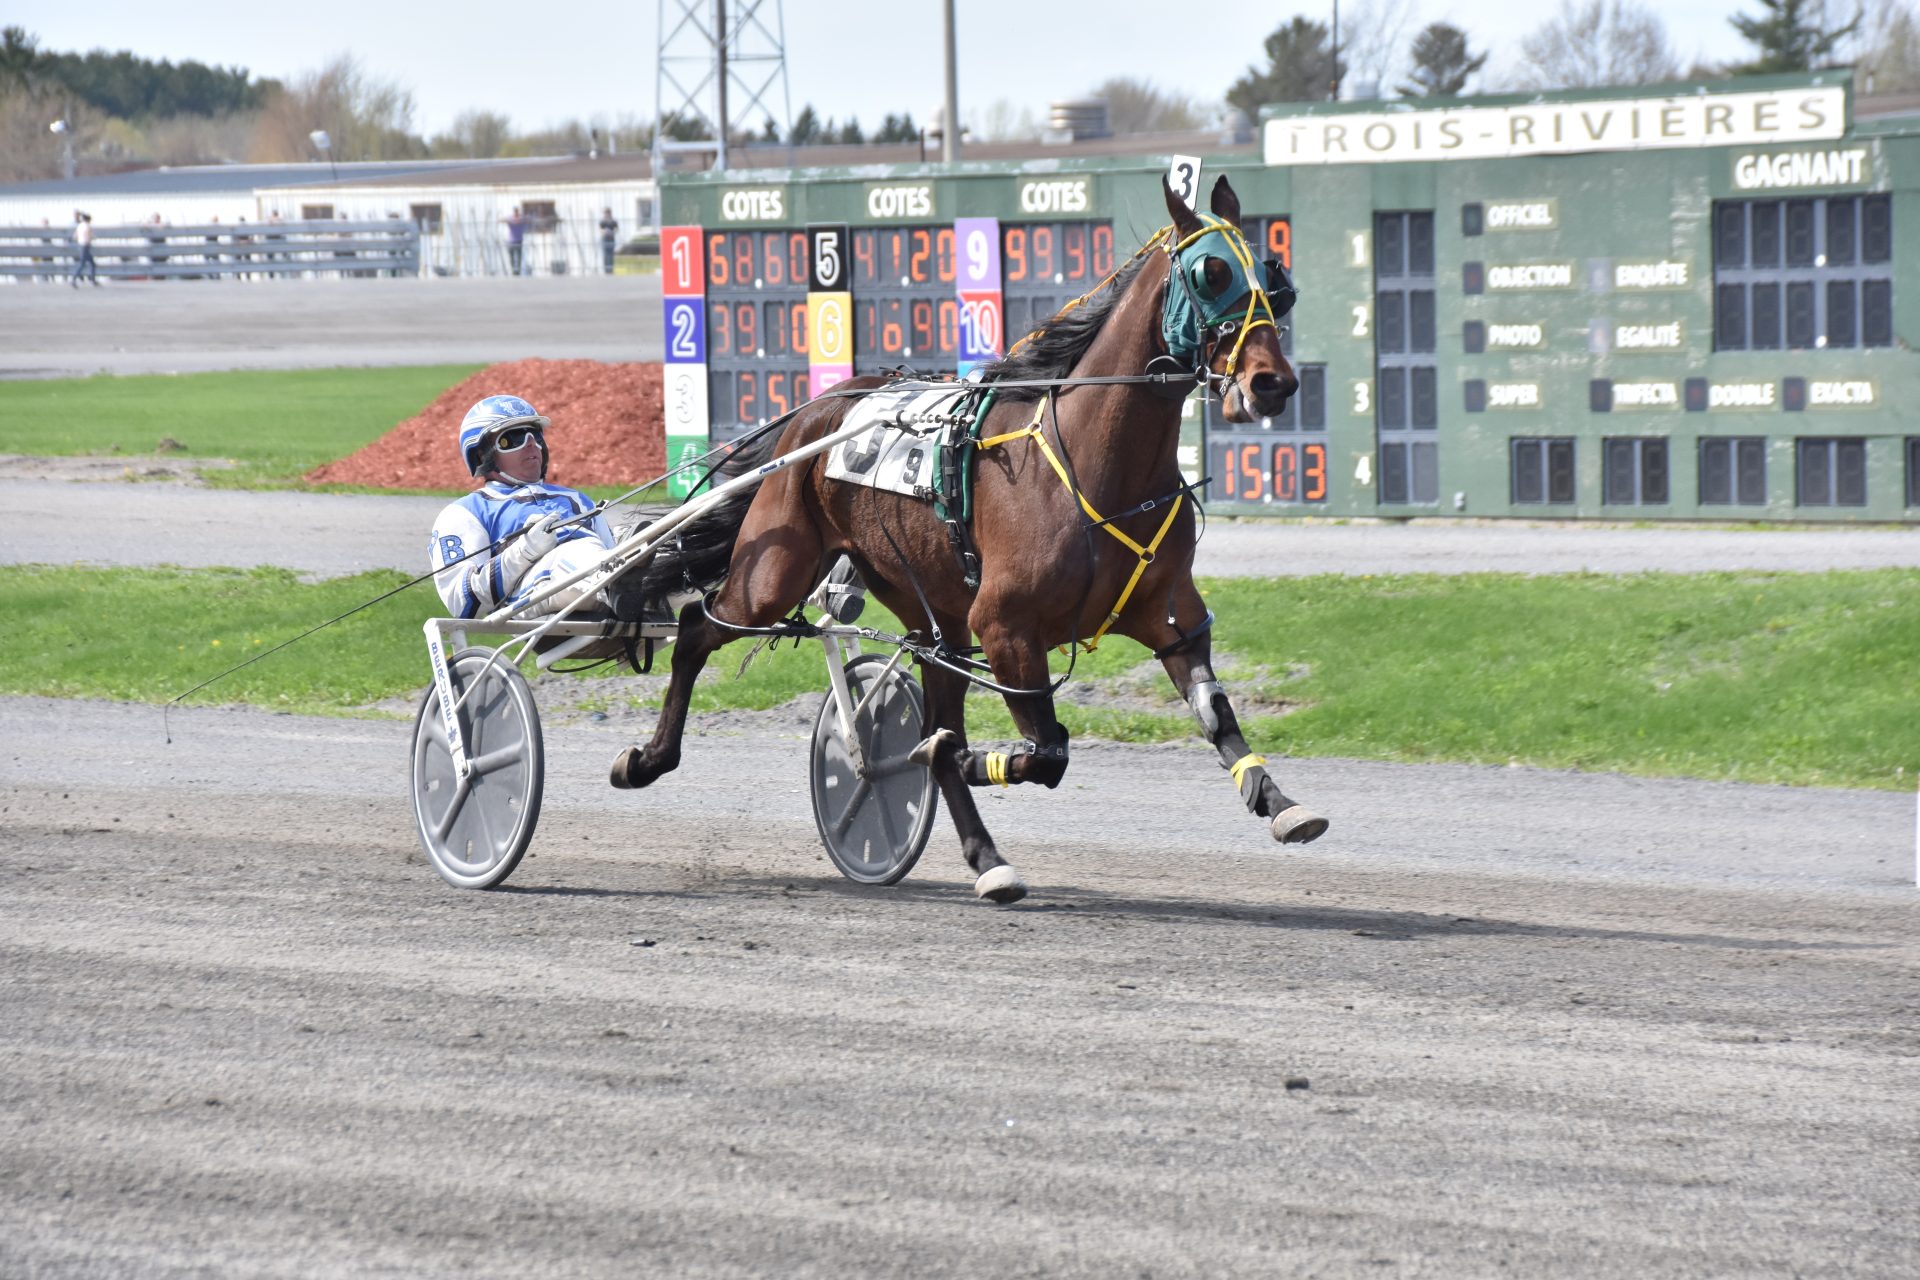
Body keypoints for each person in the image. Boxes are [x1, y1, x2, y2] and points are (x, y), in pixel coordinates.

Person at [430, 395, 641, 621]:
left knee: (656, 543)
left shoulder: (577, 498)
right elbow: (461, 601)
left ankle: (646, 580)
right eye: (512, 438)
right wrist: (524, 551)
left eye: (535, 435)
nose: (531, 443)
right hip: (527, 597)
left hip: (595, 580)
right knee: (577, 551)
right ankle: (621, 584)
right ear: (482, 454)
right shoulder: (465, 512)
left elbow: (607, 550)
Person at [69, 211, 98, 287]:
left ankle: (93, 279)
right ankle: (74, 279)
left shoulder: (79, 226)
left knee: (91, 263)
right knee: (83, 264)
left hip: (80, 245)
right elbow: (89, 236)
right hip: (85, 246)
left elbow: (74, 236)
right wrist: (92, 238)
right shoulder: (87, 226)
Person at [503, 206, 527, 276]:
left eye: (517, 211)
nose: (516, 213)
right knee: (511, 257)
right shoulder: (511, 218)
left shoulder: (521, 218)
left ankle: (518, 271)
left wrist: (519, 220)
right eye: (515, 211)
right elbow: (503, 220)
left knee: (519, 256)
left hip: (519, 240)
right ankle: (513, 270)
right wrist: (512, 221)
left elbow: (527, 219)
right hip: (511, 241)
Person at [598, 207, 619, 274]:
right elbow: (600, 229)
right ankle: (606, 270)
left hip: (611, 239)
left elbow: (617, 229)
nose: (606, 214)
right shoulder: (602, 221)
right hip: (605, 239)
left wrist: (612, 232)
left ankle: (611, 270)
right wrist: (604, 231)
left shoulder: (613, 221)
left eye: (607, 213)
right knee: (605, 255)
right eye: (605, 213)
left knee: (611, 255)